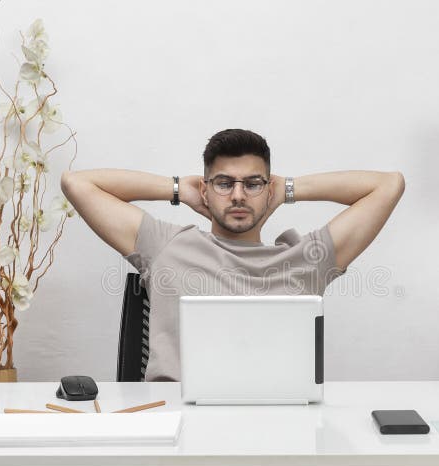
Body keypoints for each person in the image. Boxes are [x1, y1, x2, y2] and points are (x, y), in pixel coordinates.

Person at [61, 128, 405, 381]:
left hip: (276, 424)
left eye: (253, 184)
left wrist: (287, 189)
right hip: (179, 423)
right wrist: (180, 189)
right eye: (224, 183)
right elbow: (77, 184)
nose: (238, 195)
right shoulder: (167, 246)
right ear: (205, 191)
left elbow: (389, 185)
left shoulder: (307, 258)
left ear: (268, 190)